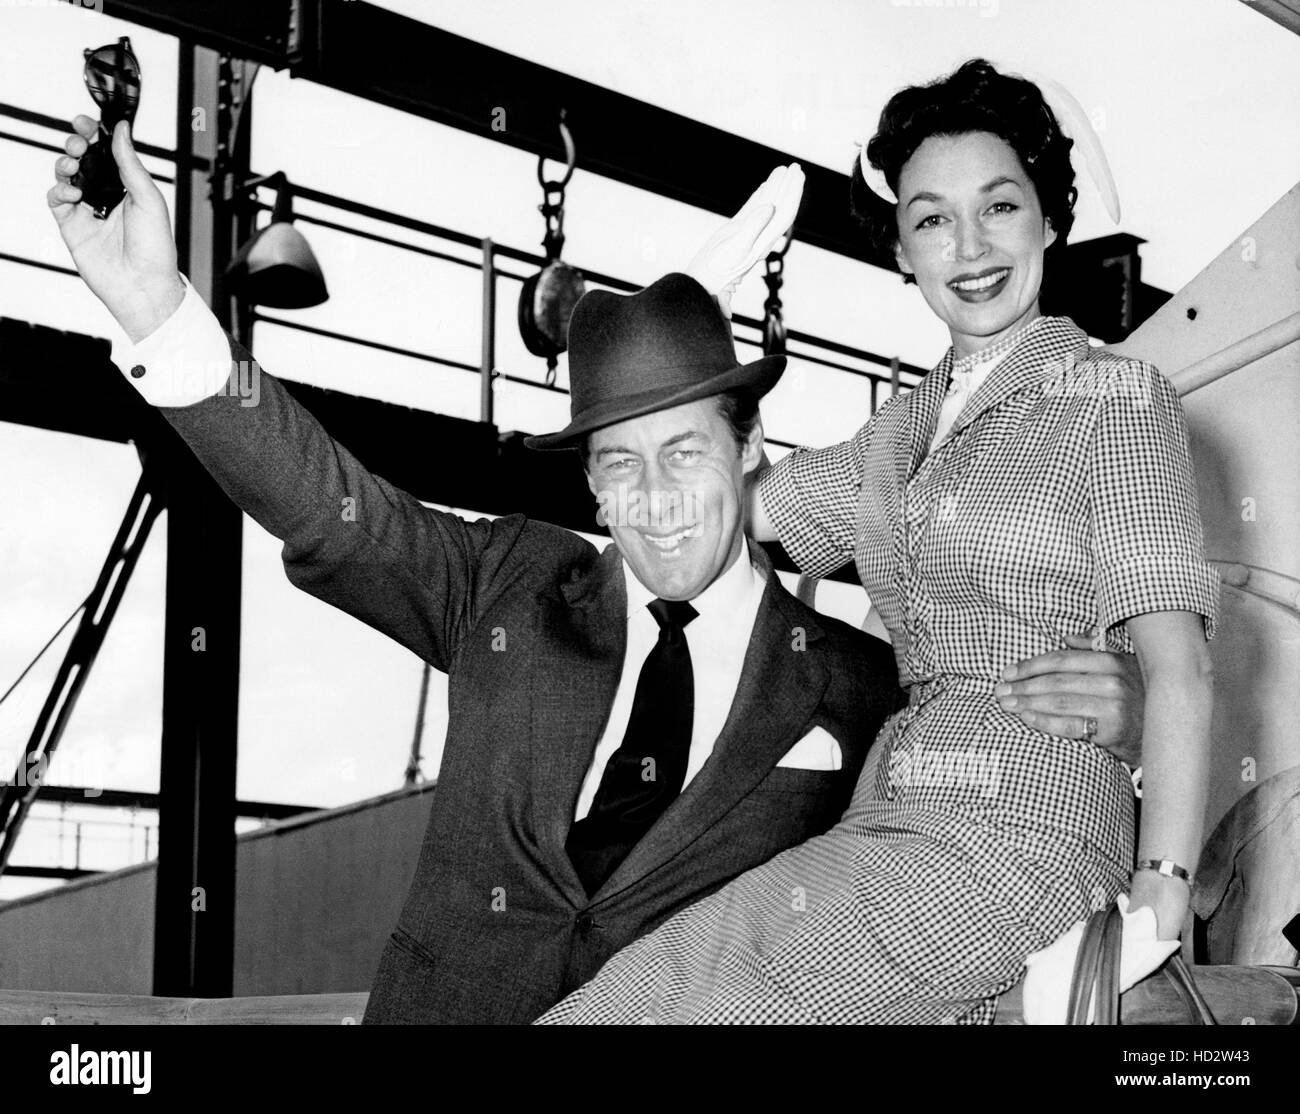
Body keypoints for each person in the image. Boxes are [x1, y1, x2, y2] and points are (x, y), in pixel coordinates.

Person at [48, 104, 1145, 1025]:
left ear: (754, 450)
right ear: (589, 486)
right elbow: (333, 511)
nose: (655, 502)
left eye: (684, 455)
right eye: (619, 465)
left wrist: (1121, 710)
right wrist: (153, 304)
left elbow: (974, 838)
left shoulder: (859, 684)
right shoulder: (508, 587)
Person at [538, 59, 1218, 1025]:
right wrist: (689, 334)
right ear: (902, 248)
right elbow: (719, 510)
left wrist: (1162, 891)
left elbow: (1181, 667)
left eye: (1001, 207)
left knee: (663, 1011)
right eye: (933, 218)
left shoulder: (1112, 397)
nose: (970, 246)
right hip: (887, 818)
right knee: (640, 985)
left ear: (1050, 221)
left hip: (1026, 831)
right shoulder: (896, 435)